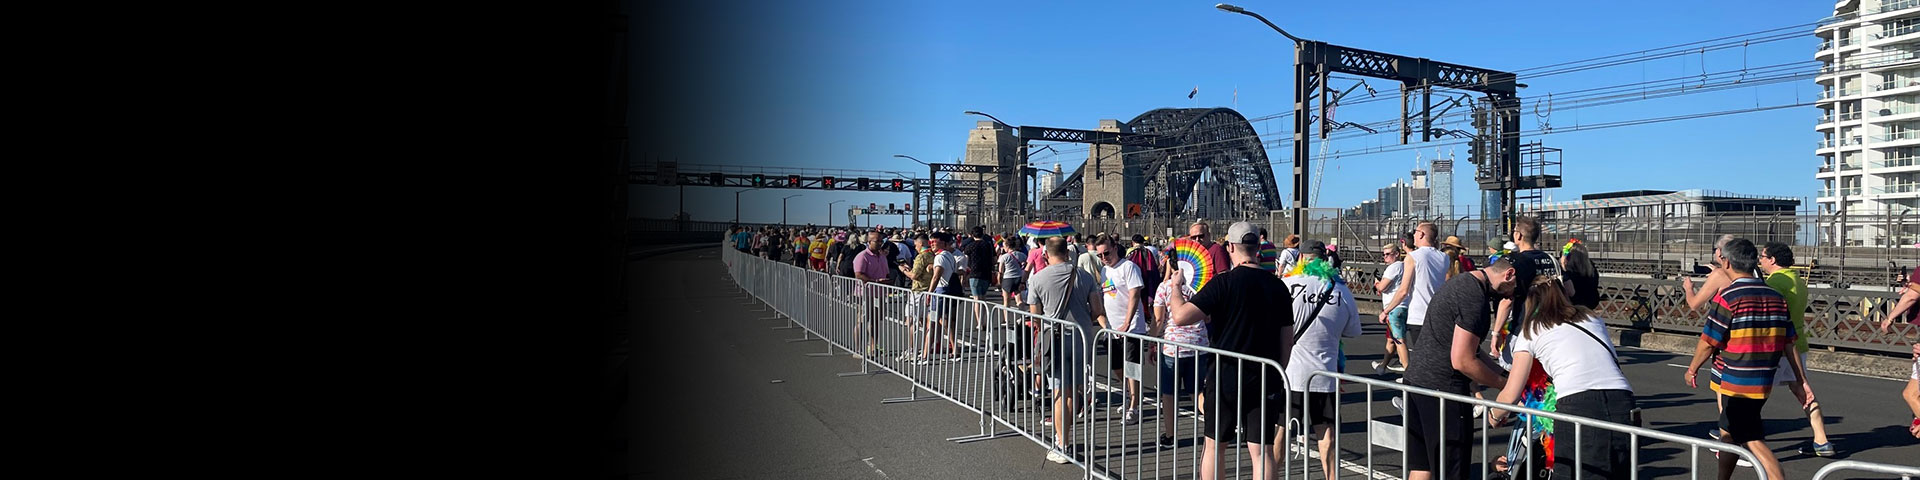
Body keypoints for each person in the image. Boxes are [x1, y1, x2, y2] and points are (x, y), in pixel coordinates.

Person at [1166, 221, 1296, 480]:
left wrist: (1176, 287)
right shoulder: (1278, 286)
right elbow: (1287, 339)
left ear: (1230, 247)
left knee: (1215, 446)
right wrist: (1277, 370)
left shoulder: (1223, 283)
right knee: (1262, 451)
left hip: (1225, 373)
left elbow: (1180, 316)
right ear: (1258, 247)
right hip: (1265, 373)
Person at [1682, 238, 1808, 480]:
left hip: (1737, 379)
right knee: (1728, 432)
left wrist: (1692, 369)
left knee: (1750, 437)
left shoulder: (1729, 297)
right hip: (1764, 378)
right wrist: (1800, 379)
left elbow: (1709, 341)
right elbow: (1789, 341)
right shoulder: (1775, 296)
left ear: (1726, 262)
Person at [1488, 274, 1636, 480]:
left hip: (1579, 404)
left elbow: (1511, 392)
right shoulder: (1591, 318)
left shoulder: (1532, 329)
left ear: (1531, 302)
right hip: (1623, 400)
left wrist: (1495, 415)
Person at [1404, 257, 1515, 480]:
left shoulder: (1461, 282)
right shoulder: (1475, 297)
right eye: (1514, 289)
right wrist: (1507, 385)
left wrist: (1503, 373)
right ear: (1509, 274)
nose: (1511, 296)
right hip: (1443, 389)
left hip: (1417, 381)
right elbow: (1463, 360)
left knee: (1422, 466)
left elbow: (1470, 348)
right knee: (1451, 470)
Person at [1279, 240, 1362, 480]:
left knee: (1280, 431)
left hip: (1290, 373)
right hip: (1325, 376)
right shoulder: (1339, 289)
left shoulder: (1287, 285)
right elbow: (1354, 331)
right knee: (1326, 434)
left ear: (1302, 258)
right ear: (1324, 258)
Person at [1029, 236, 1106, 464]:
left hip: (1055, 339)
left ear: (1046, 254)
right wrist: (1082, 317)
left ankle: (1063, 444)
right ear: (1068, 252)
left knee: (1059, 393)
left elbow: (1035, 315)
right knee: (1072, 391)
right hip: (1082, 337)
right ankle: (1065, 437)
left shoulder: (1038, 278)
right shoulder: (1084, 275)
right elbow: (1097, 309)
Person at [1756, 242, 1836, 456]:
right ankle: (1822, 440)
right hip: (1798, 344)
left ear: (1772, 260)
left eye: (1762, 256)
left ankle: (1740, 435)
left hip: (1776, 346)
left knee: (1754, 395)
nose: (1760, 261)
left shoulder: (1774, 282)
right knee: (1804, 391)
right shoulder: (1797, 280)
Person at [1153, 250, 1209, 449]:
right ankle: (1215, 427)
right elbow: (1208, 317)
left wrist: (1152, 341)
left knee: (1169, 393)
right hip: (1199, 344)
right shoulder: (1198, 288)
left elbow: (1159, 319)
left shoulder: (1165, 287)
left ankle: (1170, 435)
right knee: (1198, 391)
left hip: (1173, 346)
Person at [1491, 217, 1562, 368]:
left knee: (1512, 370)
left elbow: (1508, 301)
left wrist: (1496, 333)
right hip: (1550, 325)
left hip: (1524, 326)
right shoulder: (1551, 259)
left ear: (1519, 236)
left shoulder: (1517, 262)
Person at [1094, 234, 1148, 425]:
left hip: (1131, 328)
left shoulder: (1128, 267)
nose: (1103, 258)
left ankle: (1134, 406)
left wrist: (1127, 322)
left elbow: (1134, 295)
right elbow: (1105, 296)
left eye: (1106, 253)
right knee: (1116, 366)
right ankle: (1128, 393)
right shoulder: (1105, 271)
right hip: (1112, 327)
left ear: (1115, 248)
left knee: (1131, 367)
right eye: (1099, 255)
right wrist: (1104, 321)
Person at [1382, 223, 1448, 351]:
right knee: (1436, 354)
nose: (1414, 235)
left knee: (1422, 356)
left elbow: (1403, 290)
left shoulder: (1413, 257)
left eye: (1415, 232)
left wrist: (1386, 311)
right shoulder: (1444, 257)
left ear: (1422, 234)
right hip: (1438, 313)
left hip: (1419, 315)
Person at [853, 231, 893, 357]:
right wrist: (875, 281)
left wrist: (887, 281)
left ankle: (872, 346)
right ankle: (857, 349)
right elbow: (859, 274)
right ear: (869, 242)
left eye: (881, 241)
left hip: (879, 294)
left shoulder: (882, 256)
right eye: (877, 241)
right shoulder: (862, 256)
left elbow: (885, 273)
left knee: (875, 321)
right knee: (861, 320)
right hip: (865, 293)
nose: (880, 243)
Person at [1373, 243, 1411, 375]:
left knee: (1399, 340)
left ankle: (1408, 373)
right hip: (1403, 306)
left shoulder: (1393, 268)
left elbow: (1382, 287)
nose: (1385, 257)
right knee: (1391, 339)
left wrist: (1377, 283)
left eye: (1388, 254)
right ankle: (1383, 366)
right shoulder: (1403, 266)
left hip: (1394, 308)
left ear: (1397, 254)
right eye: (1384, 254)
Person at [1560, 239, 1600, 309]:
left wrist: (1563, 266)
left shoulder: (1569, 273)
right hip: (1590, 305)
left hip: (1574, 307)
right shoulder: (1592, 270)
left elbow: (1569, 292)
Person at [998, 235, 1028, 309]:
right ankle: (1022, 315)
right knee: (1019, 299)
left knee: (1006, 301)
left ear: (1008, 247)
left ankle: (1006, 319)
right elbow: (1026, 264)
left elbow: (1000, 271)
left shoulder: (1004, 257)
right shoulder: (1022, 255)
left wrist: (999, 282)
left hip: (1008, 278)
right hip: (1018, 277)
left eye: (1004, 246)